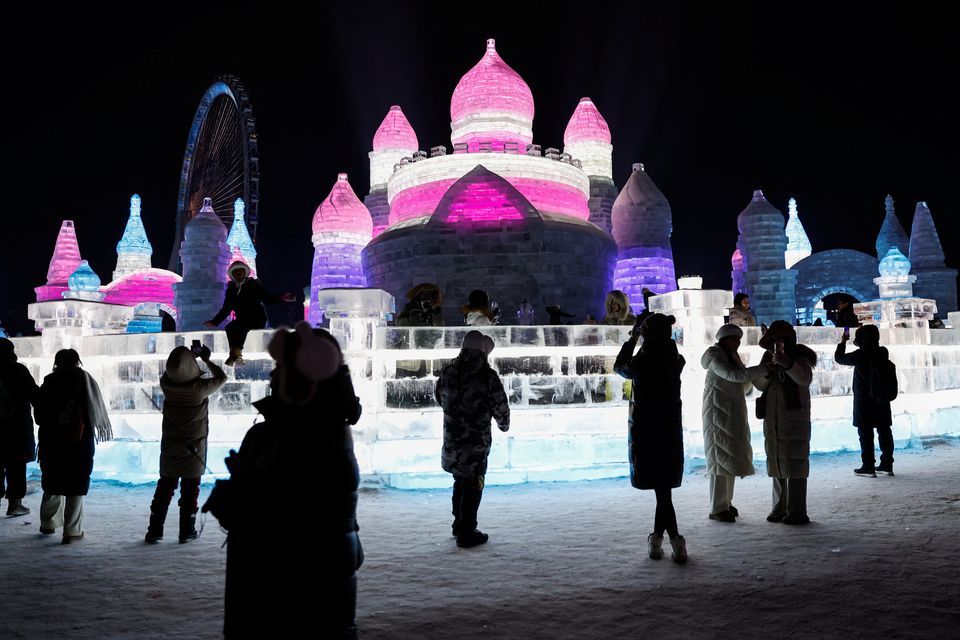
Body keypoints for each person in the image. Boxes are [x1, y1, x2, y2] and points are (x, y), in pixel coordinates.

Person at [205, 323, 363, 638]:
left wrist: (235, 495)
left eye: (280, 367)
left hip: (286, 596)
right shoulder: (322, 427)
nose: (272, 376)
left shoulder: (299, 435)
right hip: (310, 587)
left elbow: (280, 523)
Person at [614, 313, 688, 563]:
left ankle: (673, 540)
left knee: (662, 490)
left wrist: (632, 339)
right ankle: (660, 538)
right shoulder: (675, 358)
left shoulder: (643, 361)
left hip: (647, 429)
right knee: (663, 488)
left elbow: (620, 367)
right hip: (668, 427)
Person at [145, 343, 227, 543]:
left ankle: (155, 530)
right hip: (194, 446)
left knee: (165, 487)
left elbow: (173, 374)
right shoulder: (199, 389)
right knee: (191, 489)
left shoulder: (167, 385)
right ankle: (186, 530)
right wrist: (205, 359)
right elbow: (222, 378)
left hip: (171, 446)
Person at [435, 331, 510, 548]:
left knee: (460, 479)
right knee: (474, 481)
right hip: (475, 439)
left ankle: (459, 523)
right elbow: (500, 405)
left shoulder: (449, 371)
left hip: (452, 436)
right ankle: (467, 531)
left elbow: (439, 396)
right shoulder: (486, 376)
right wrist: (503, 424)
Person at [34, 349, 111, 543]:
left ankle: (48, 523)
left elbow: (39, 415)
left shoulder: (49, 382)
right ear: (77, 361)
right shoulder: (85, 381)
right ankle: (72, 531)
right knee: (75, 485)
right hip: (79, 441)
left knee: (52, 481)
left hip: (51, 441)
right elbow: (93, 410)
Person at [700, 324, 766, 522]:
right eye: (734, 339)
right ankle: (717, 507)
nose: (737, 342)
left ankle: (726, 503)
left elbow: (743, 384)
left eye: (739, 339)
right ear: (725, 340)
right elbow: (734, 376)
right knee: (720, 461)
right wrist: (762, 369)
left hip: (731, 413)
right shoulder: (716, 358)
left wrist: (758, 370)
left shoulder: (731, 357)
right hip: (717, 415)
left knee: (728, 459)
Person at [754, 321, 817, 525]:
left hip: (794, 419)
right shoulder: (768, 357)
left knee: (795, 466)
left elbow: (804, 379)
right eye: (774, 340)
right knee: (777, 465)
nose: (778, 343)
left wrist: (786, 364)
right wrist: (768, 370)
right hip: (773, 419)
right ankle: (779, 507)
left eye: (781, 339)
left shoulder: (800, 358)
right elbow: (760, 385)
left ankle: (797, 511)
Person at [204, 261, 296, 367]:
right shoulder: (231, 289)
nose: (238, 273)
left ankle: (236, 353)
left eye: (240, 271)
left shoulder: (254, 285)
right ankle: (235, 353)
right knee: (230, 327)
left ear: (245, 273)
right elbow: (226, 308)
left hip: (256, 317)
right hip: (242, 318)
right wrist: (214, 322)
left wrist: (282, 297)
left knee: (242, 326)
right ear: (233, 274)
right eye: (236, 272)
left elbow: (268, 299)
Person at [835, 325, 897, 477]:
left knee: (865, 433)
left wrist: (843, 342)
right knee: (884, 430)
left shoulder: (860, 355)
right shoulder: (883, 354)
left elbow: (839, 358)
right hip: (882, 399)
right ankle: (886, 464)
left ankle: (868, 466)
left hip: (864, 401)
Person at [0, 338, 40, 517]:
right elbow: (35, 395)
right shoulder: (18, 371)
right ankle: (15, 503)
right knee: (16, 465)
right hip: (17, 427)